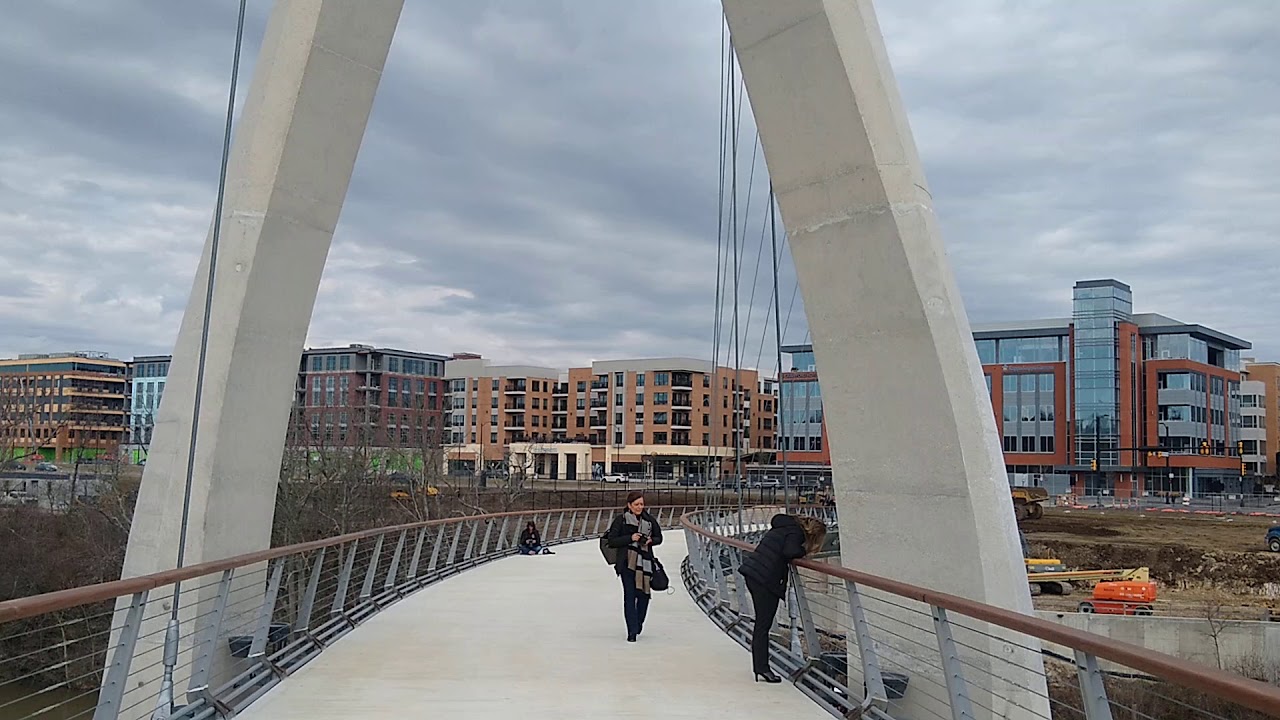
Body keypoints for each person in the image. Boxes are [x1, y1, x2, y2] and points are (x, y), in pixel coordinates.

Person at [738, 513, 827, 683]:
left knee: (761, 625)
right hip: (765, 580)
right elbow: (790, 551)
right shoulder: (795, 533)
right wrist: (803, 551)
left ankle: (761, 667)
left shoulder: (783, 528)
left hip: (754, 575)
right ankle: (762, 668)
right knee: (763, 626)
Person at [605, 490, 663, 642]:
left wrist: (650, 541)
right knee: (629, 597)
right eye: (636, 504)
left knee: (643, 596)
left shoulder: (649, 520)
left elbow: (659, 538)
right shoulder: (621, 520)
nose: (639, 507)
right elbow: (612, 541)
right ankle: (631, 631)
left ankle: (638, 624)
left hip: (645, 565)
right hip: (626, 564)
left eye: (641, 504)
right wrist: (630, 538)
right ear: (629, 505)